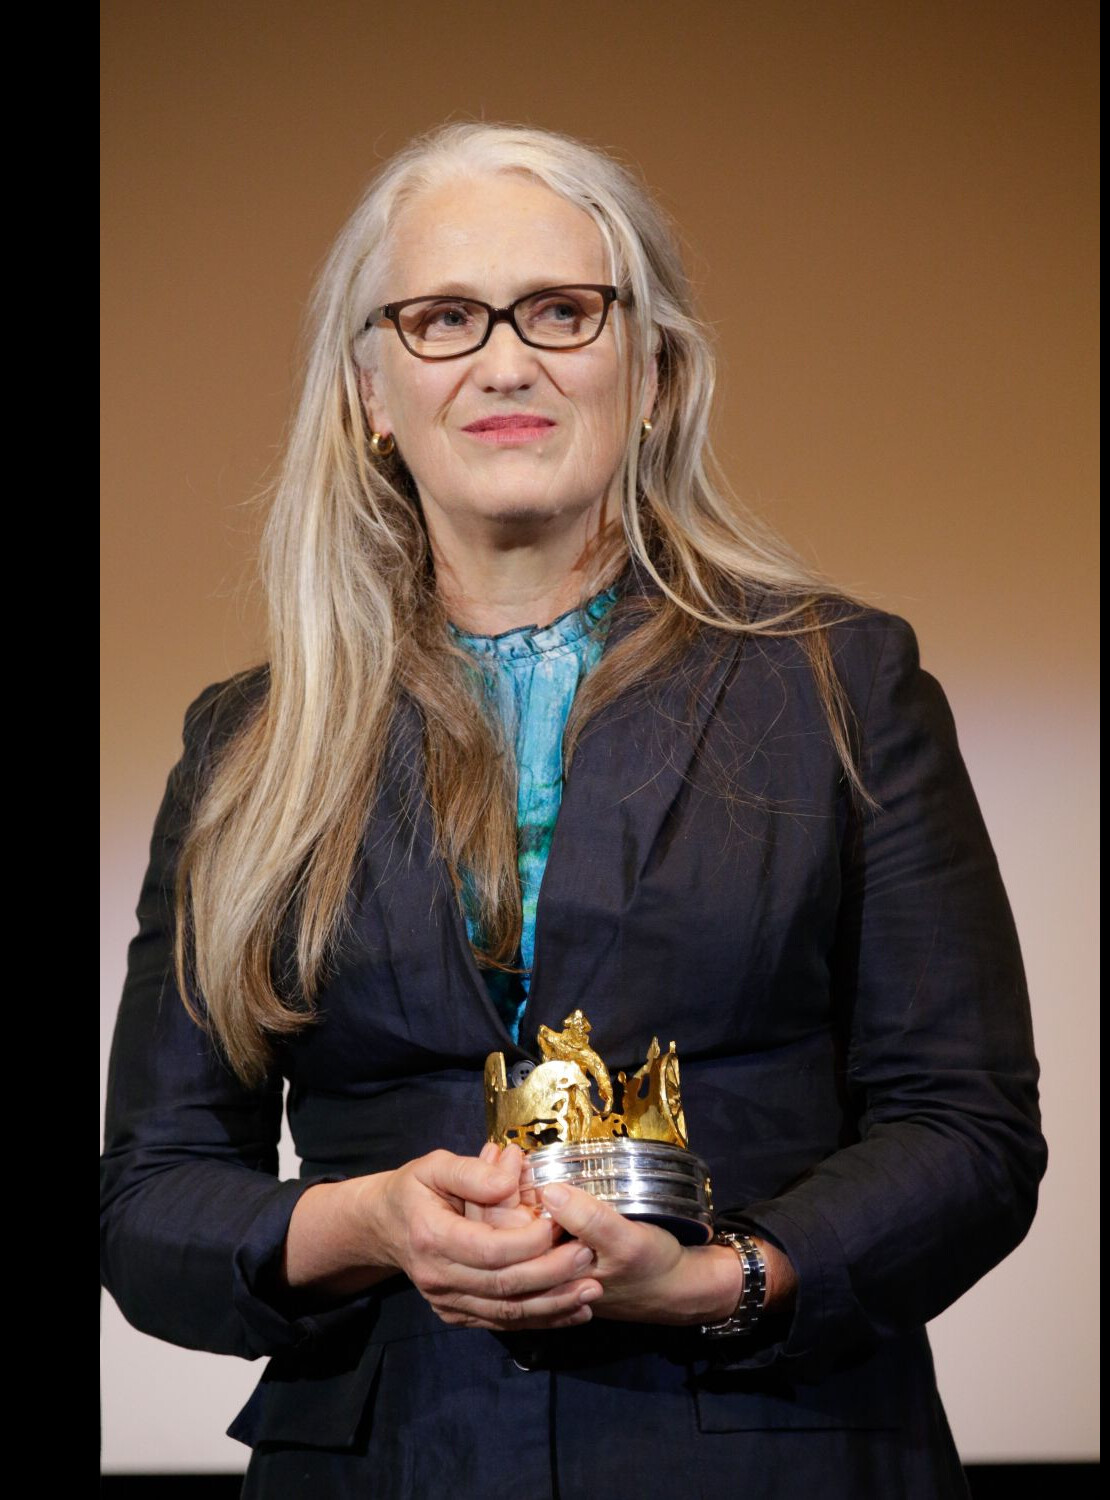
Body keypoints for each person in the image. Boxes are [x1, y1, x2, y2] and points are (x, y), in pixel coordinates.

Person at [100, 121, 1047, 1498]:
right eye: (442, 318)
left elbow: (967, 1133)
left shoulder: (841, 683)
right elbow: (151, 1201)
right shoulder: (245, 747)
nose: (505, 362)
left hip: (773, 1460)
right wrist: (369, 1221)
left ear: (652, 373)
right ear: (369, 392)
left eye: (560, 310)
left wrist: (717, 1281)